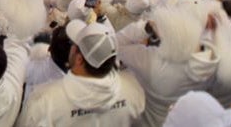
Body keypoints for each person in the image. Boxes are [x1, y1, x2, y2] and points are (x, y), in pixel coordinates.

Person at [17, 20, 145, 126]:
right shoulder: (134, 90)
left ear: (79, 59)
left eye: (75, 45)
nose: (71, 47)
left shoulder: (43, 101)